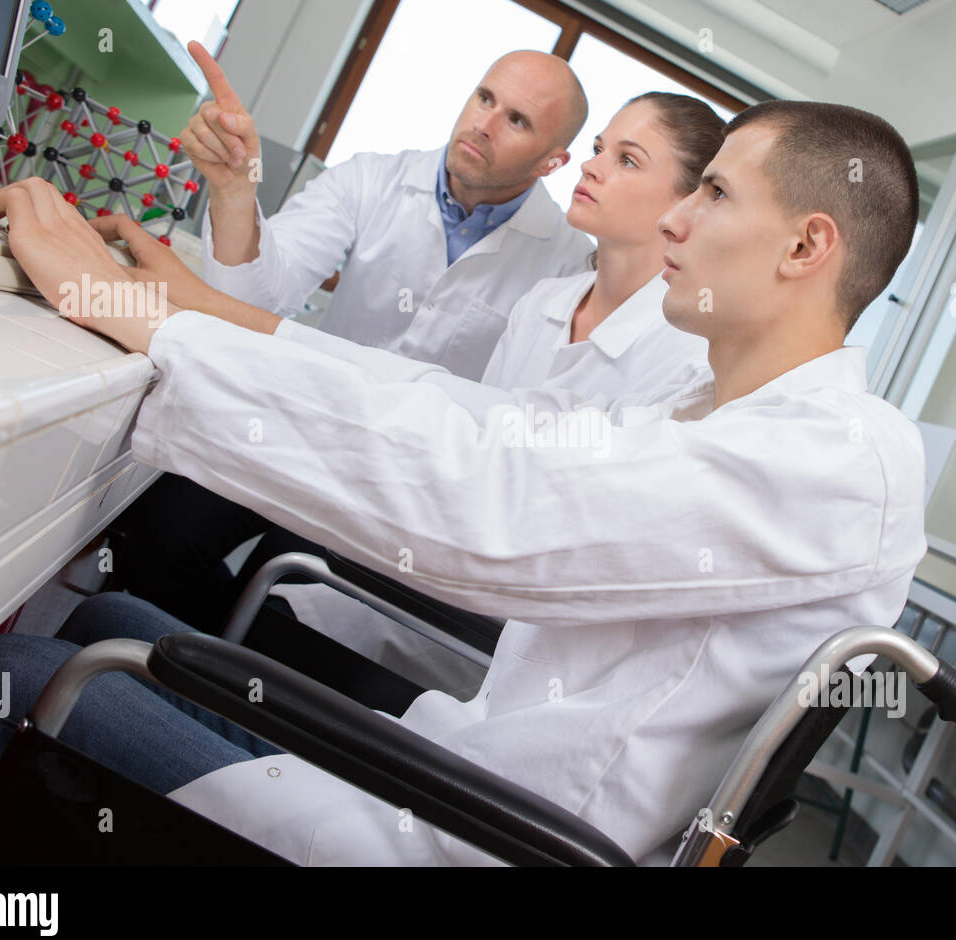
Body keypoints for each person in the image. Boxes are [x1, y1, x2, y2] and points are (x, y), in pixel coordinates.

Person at [0, 100, 928, 867]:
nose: (676, 220)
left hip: (467, 831)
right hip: (449, 770)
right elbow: (470, 417)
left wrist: (157, 325)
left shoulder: (834, 461)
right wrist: (178, 316)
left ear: (806, 244)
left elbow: (495, 508)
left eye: (713, 193)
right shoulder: (723, 414)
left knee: (2, 691)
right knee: (112, 618)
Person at [238, 90, 726, 698]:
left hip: (480, 637)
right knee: (241, 571)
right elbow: (464, 453)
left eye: (627, 160)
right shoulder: (544, 301)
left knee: (257, 608)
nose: (593, 166)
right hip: (419, 562)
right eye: (599, 148)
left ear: (690, 203)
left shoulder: (684, 352)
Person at [110, 42, 594, 632]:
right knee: (153, 537)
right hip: (289, 421)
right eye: (484, 97)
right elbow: (254, 304)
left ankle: (202, 675)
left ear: (552, 161)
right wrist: (236, 191)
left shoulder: (569, 265)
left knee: (277, 612)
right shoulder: (371, 180)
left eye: (516, 120)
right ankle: (168, 665)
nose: (483, 124)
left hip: (394, 487)